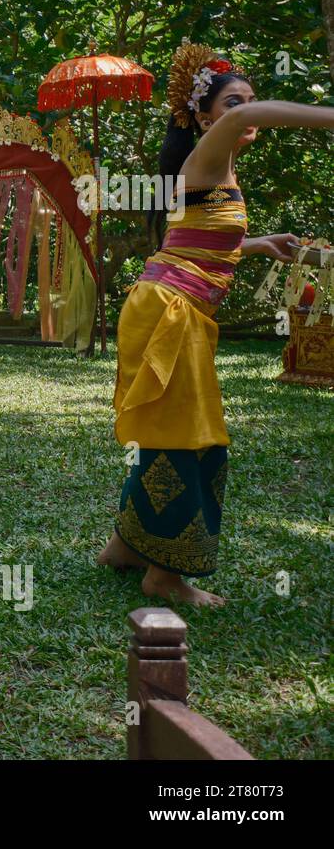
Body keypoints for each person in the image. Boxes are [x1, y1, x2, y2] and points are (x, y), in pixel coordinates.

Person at [97, 40, 334, 605]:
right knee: (193, 440)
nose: (246, 111)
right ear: (204, 117)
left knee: (166, 434)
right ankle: (165, 578)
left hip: (170, 308)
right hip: (169, 313)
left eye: (249, 100)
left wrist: (256, 244)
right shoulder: (207, 153)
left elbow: (190, 242)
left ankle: (125, 549)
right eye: (233, 103)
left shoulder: (214, 169)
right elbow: (258, 116)